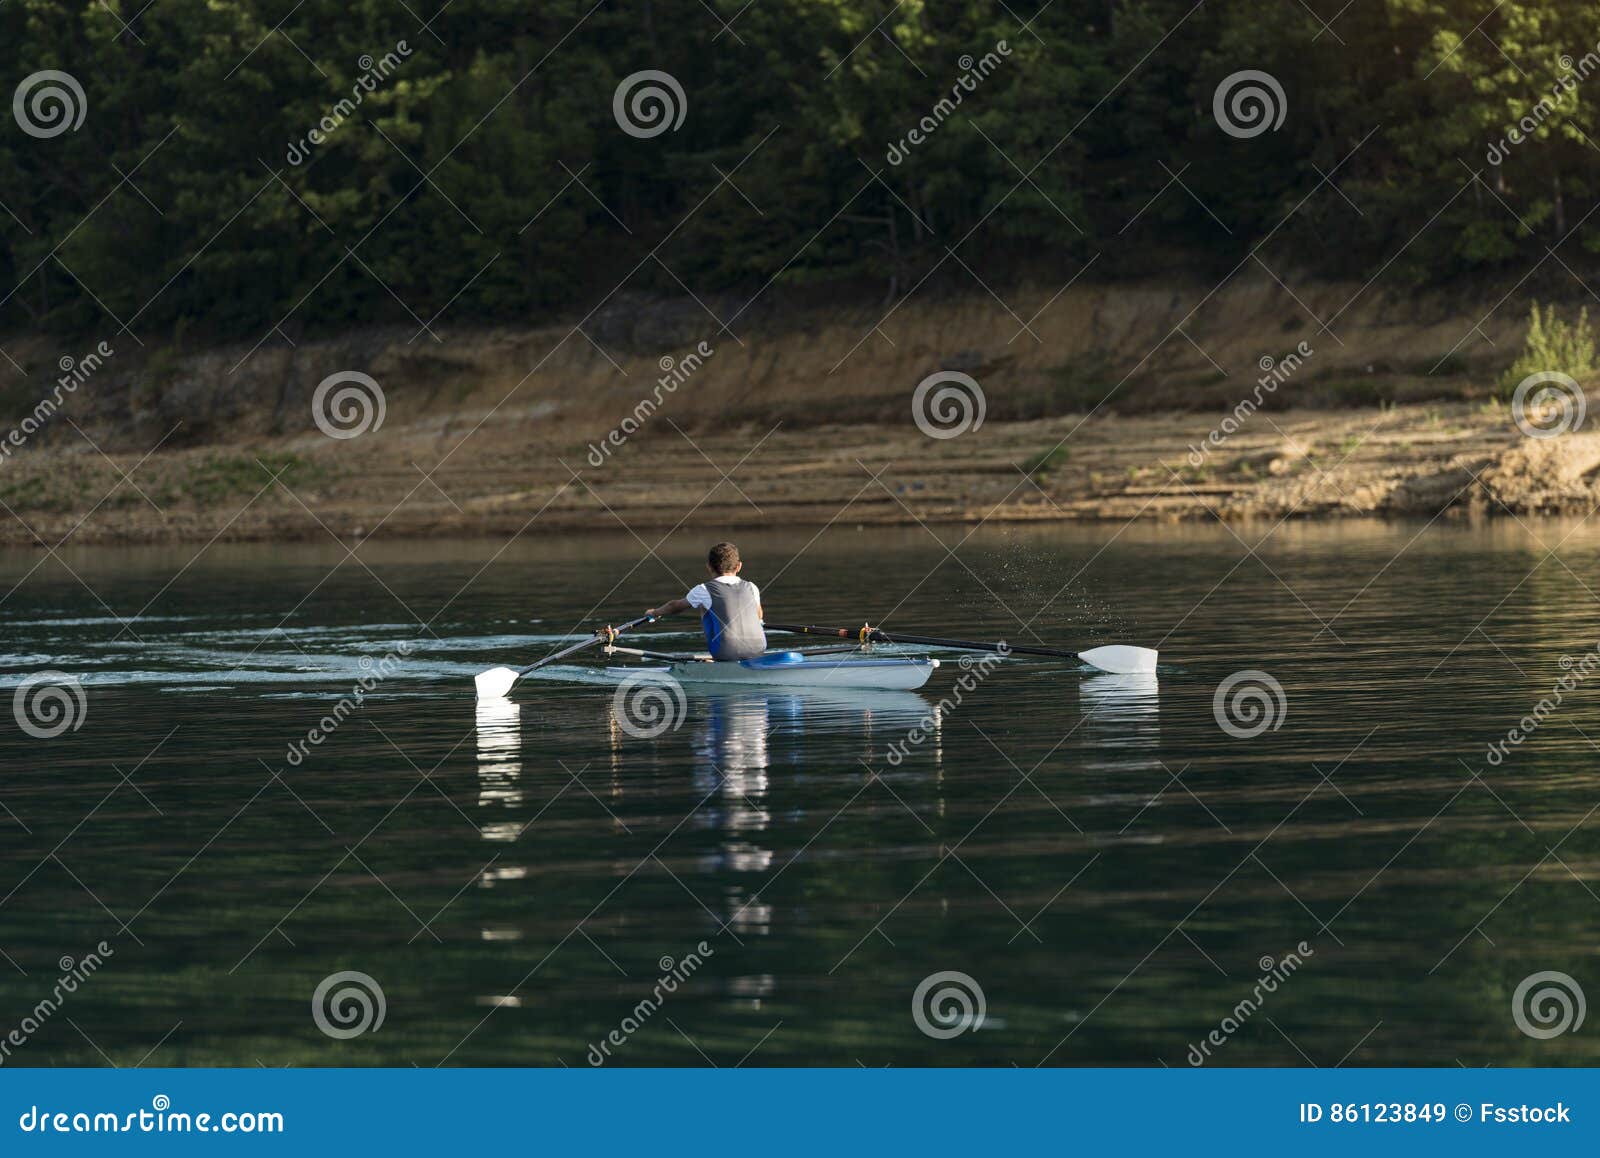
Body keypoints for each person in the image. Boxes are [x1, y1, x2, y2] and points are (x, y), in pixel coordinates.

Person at [646, 541, 766, 661]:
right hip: (759, 649)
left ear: (709, 567)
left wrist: (654, 613)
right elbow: (759, 615)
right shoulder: (751, 586)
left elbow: (675, 606)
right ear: (739, 566)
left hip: (726, 652)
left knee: (704, 606)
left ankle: (720, 660)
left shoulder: (704, 589)